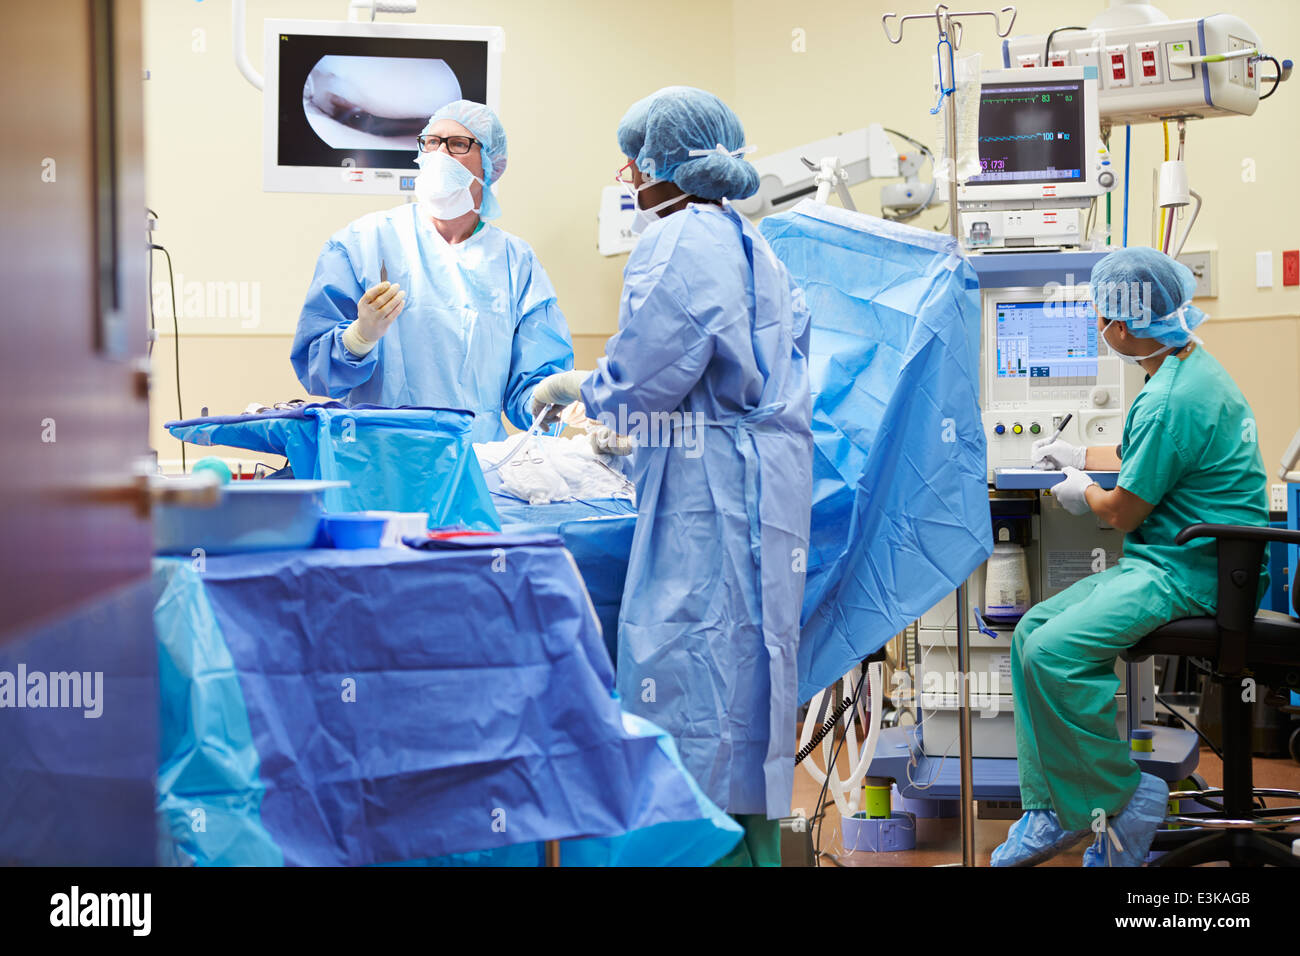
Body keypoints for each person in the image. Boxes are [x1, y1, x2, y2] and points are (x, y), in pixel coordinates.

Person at [529, 87, 814, 866]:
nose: (625, 171)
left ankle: (692, 845)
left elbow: (642, 380)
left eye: (636, 155)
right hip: (768, 485)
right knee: (751, 676)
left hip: (710, 497)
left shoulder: (677, 239)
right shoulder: (756, 243)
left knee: (687, 665)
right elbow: (736, 377)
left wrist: (583, 394)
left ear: (667, 164)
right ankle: (751, 849)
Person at [992, 247, 1269, 867]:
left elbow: (1121, 511)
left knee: (1056, 652)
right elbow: (1147, 454)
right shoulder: (1185, 371)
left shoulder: (1174, 397)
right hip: (1179, 559)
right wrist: (1076, 454)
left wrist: (1077, 491)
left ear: (1126, 325)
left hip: (1193, 573)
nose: (1099, 328)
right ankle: (1054, 806)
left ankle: (1123, 799)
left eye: (1102, 317)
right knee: (1030, 630)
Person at [291, 100, 574, 444]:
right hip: (376, 457)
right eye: (431, 142)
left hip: (473, 460)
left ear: (490, 164)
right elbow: (317, 370)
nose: (440, 153)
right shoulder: (362, 242)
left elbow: (535, 388)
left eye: (457, 144)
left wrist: (555, 401)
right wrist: (359, 337)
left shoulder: (516, 262)